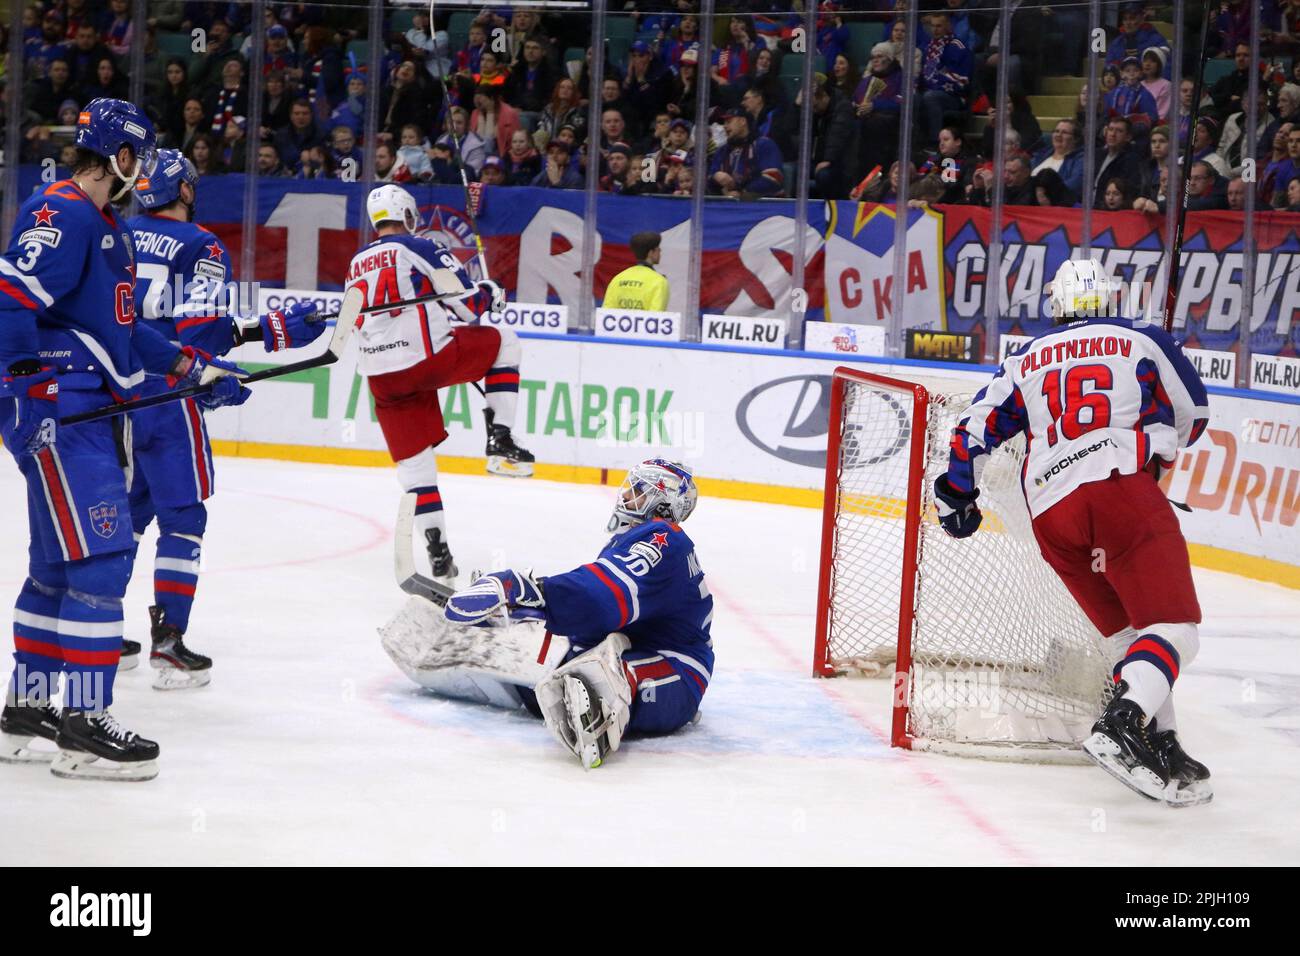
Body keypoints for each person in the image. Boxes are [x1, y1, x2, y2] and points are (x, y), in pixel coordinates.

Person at [0, 99, 245, 780]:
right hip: (65, 409)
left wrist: (195, 369)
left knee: (56, 567)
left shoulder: (107, 225)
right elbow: (9, 295)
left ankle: (26, 709)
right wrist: (29, 391)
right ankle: (82, 726)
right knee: (104, 560)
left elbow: (125, 332)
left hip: (83, 407)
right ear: (125, 157)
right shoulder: (64, 212)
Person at [933, 258, 1211, 807]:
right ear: (1110, 299)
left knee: (1129, 636)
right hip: (1119, 491)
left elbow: (971, 432)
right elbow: (1194, 414)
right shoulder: (1144, 339)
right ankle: (1122, 723)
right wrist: (1153, 445)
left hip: (1053, 515)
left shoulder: (1025, 358)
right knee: (1176, 627)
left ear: (1056, 308)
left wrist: (957, 496)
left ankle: (1164, 743)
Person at [125, 149, 324, 688]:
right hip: (168, 396)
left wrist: (269, 329)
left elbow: (148, 320)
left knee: (128, 509)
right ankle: (168, 645)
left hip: (115, 394)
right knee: (184, 517)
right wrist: (213, 374)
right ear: (184, 191)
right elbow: (199, 334)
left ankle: (102, 634)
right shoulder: (201, 244)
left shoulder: (116, 234)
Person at [441, 459, 713, 770]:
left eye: (639, 490)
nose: (625, 496)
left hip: (676, 673)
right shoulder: (636, 541)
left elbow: (603, 597)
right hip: (639, 651)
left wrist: (532, 590)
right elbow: (599, 617)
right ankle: (574, 684)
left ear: (662, 505)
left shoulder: (665, 539)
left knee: (600, 672)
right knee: (551, 667)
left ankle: (602, 706)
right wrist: (523, 612)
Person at [345, 186, 533, 583]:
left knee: (415, 469)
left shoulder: (356, 263)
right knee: (505, 341)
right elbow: (466, 306)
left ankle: (439, 555)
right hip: (426, 360)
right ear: (407, 214)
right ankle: (500, 439)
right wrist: (491, 293)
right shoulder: (421, 246)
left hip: (381, 377)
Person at [603, 232, 669, 311]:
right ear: (651, 253)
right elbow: (657, 316)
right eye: (658, 250)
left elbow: (607, 312)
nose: (660, 253)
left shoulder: (618, 279)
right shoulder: (659, 281)